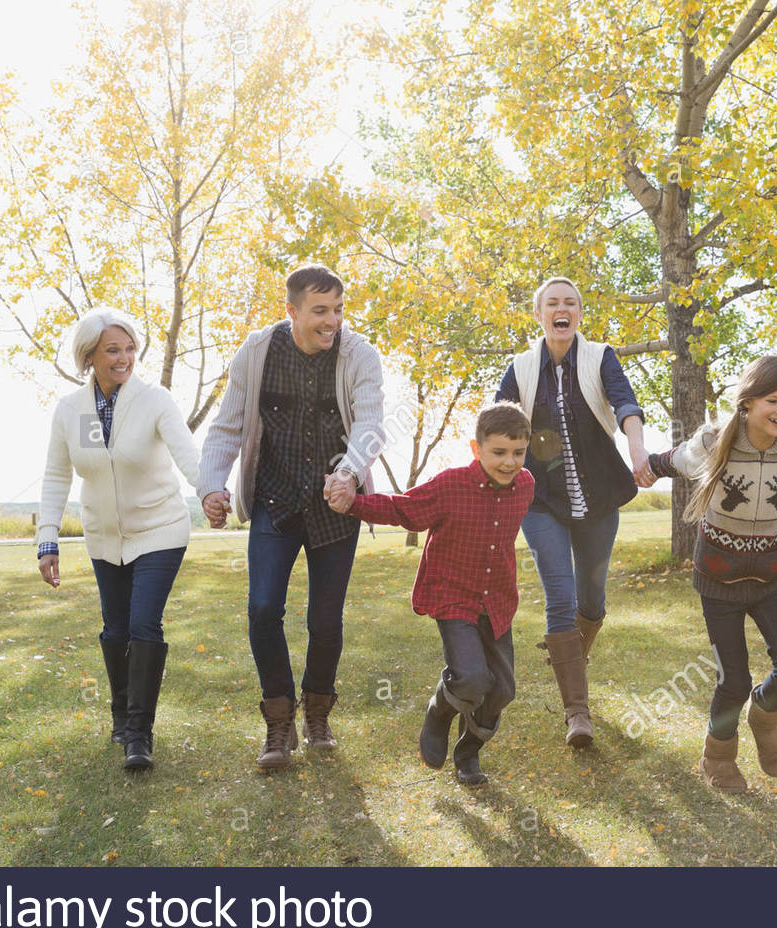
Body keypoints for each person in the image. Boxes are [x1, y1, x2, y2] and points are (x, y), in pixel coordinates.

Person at [197, 263, 384, 768]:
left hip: (334, 505)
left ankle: (317, 711)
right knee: (262, 611)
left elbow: (370, 423)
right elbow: (226, 427)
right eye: (320, 311)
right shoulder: (257, 352)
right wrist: (211, 484)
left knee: (325, 620)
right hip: (274, 503)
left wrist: (348, 474)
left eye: (339, 310)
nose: (332, 322)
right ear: (292, 310)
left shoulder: (359, 355)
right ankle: (278, 723)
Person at [647, 355, 777, 791]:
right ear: (748, 401)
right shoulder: (715, 442)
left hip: (772, 577)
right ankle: (717, 757)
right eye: (774, 400)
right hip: (719, 577)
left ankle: (765, 717)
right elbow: (675, 459)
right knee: (732, 680)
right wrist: (643, 468)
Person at [326, 402, 534, 786]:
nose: (509, 462)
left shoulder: (526, 485)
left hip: (498, 599)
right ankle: (440, 711)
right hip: (453, 596)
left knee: (502, 690)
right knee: (471, 678)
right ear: (477, 448)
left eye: (518, 453)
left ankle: (468, 752)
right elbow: (404, 510)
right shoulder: (451, 484)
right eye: (499, 452)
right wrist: (353, 502)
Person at [494, 277, 655, 749]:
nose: (561, 310)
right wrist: (488, 475)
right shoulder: (521, 367)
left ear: (579, 313)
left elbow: (625, 402)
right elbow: (497, 419)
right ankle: (576, 712)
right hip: (540, 500)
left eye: (570, 303)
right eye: (552, 304)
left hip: (599, 497)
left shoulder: (601, 356)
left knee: (592, 597)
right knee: (559, 595)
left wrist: (638, 449)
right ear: (539, 314)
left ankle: (571, 660)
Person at [38, 307, 200, 771]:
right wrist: (47, 540)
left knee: (144, 624)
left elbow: (186, 454)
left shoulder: (154, 400)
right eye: (113, 350)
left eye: (129, 348)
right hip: (104, 537)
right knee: (115, 629)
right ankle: (122, 715)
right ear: (89, 355)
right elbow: (55, 476)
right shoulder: (72, 411)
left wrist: (210, 490)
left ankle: (139, 734)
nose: (124, 358)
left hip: (160, 528)